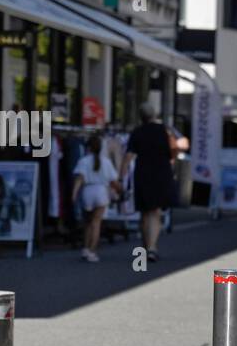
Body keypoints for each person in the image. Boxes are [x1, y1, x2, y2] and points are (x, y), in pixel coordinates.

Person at [121, 104, 176, 261]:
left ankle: (147, 246)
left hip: (143, 174)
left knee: (145, 212)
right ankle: (151, 247)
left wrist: (120, 177)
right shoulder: (163, 131)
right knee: (155, 212)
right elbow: (173, 151)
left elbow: (129, 156)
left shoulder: (137, 132)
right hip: (161, 173)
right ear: (154, 114)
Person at [72, 134, 121, 262]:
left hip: (87, 191)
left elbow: (79, 178)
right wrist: (121, 191)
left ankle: (85, 248)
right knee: (96, 222)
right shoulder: (106, 162)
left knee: (87, 222)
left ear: (88, 147)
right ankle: (92, 251)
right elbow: (113, 182)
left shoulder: (83, 161)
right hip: (101, 191)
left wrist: (74, 194)